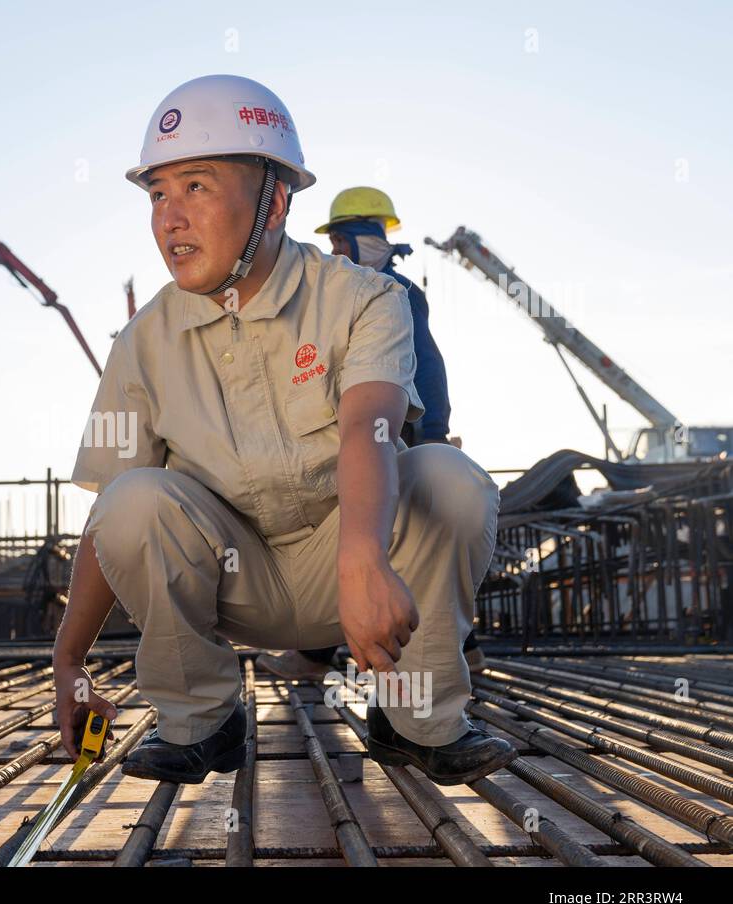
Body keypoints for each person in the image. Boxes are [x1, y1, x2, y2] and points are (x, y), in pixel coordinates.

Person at [52, 75, 514, 786]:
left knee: (450, 483)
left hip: (356, 568)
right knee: (130, 498)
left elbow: (371, 426)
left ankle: (417, 721)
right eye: (157, 195)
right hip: (243, 586)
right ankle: (203, 721)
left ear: (275, 198)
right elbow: (108, 517)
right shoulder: (143, 342)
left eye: (197, 187)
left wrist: (361, 558)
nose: (169, 219)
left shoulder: (366, 299)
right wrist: (69, 661)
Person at [258, 187, 486, 678]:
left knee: (405, 531)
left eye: (342, 241)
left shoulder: (391, 294)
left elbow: (427, 370)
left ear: (364, 237)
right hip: (359, 435)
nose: (336, 251)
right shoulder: (347, 294)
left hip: (397, 435)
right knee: (364, 536)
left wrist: (433, 435)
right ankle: (324, 651)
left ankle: (455, 650)